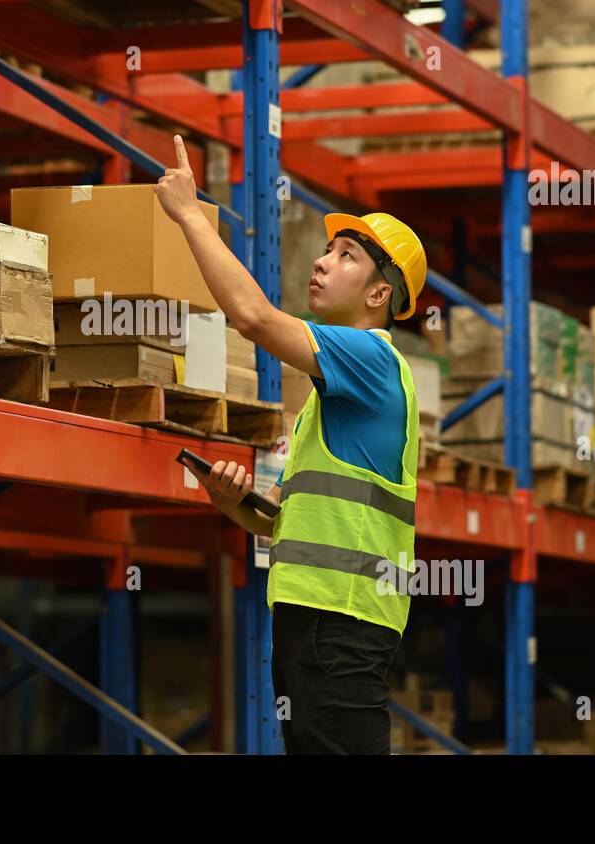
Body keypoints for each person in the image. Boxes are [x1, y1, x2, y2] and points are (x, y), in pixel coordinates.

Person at [155, 135, 426, 754]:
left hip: (340, 625)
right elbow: (287, 524)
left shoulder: (369, 358)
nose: (324, 262)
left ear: (380, 294)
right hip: (322, 624)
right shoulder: (334, 396)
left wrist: (190, 214)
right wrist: (233, 503)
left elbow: (251, 316)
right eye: (327, 250)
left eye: (347, 255)